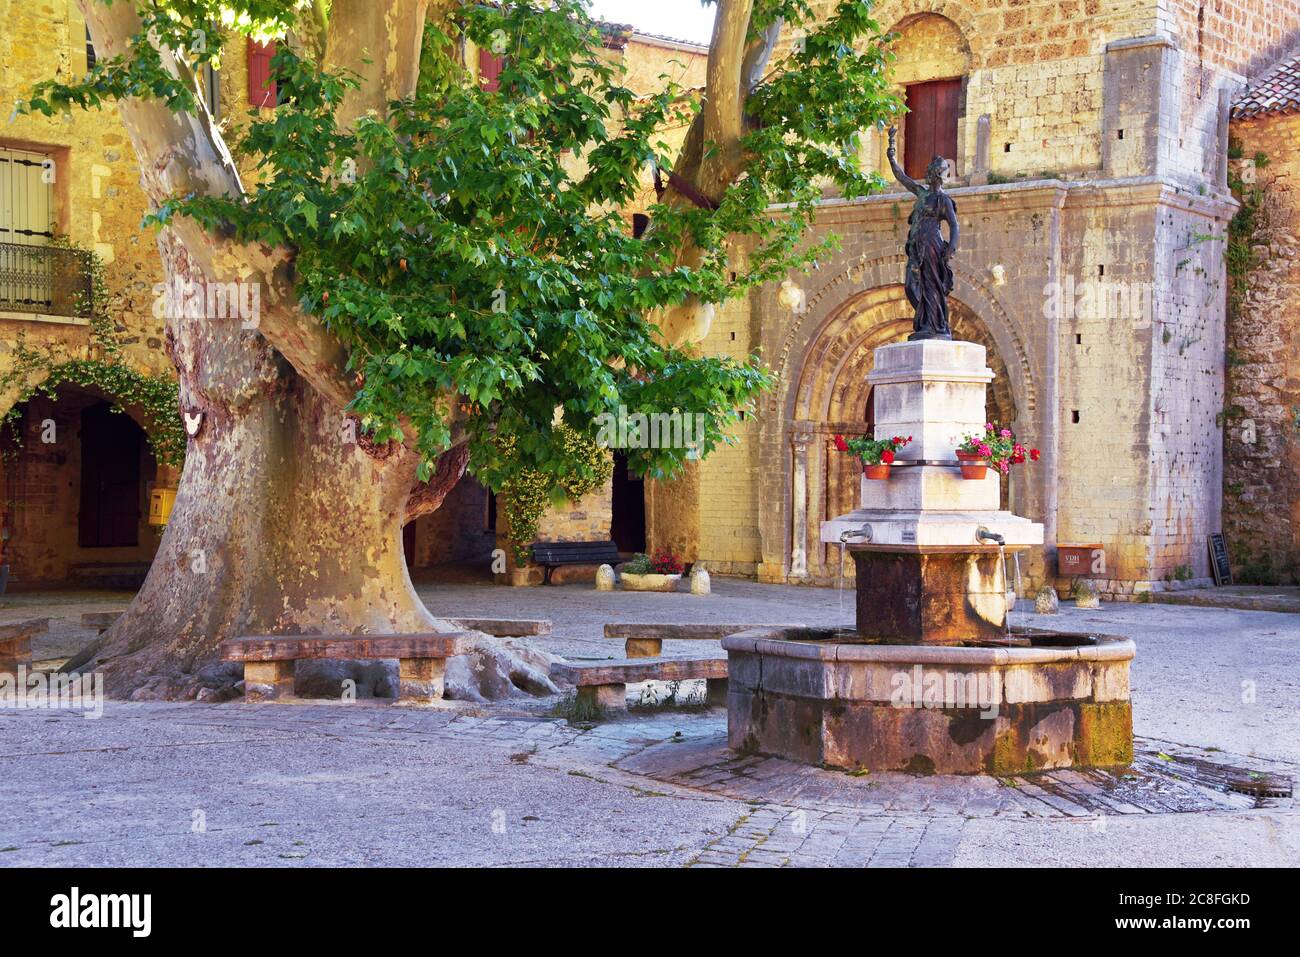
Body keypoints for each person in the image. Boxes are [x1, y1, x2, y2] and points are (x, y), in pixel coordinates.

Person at [887, 126, 958, 341]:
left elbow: (954, 226)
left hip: (932, 245)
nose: (929, 174)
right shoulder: (921, 193)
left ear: (937, 174)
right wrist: (891, 155)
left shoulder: (943, 200)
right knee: (911, 284)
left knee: (931, 284)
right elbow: (902, 177)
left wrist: (950, 249)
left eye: (933, 171)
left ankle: (933, 324)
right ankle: (926, 321)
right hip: (917, 245)